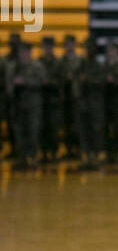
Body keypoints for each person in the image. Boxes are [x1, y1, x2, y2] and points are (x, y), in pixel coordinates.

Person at [7, 40, 45, 171]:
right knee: (19, 133)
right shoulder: (13, 67)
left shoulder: (37, 66)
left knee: (32, 132)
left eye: (25, 52)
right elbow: (8, 85)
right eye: (21, 52)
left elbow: (42, 83)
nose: (23, 54)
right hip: (17, 105)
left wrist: (25, 82)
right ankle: (22, 159)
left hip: (33, 105)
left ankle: (33, 158)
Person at [77, 38, 107, 172]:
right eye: (86, 47)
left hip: (95, 103)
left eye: (90, 48)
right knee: (84, 131)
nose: (87, 50)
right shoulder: (81, 65)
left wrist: (88, 80)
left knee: (96, 130)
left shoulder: (99, 66)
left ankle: (95, 157)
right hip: (83, 103)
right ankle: (87, 156)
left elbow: (102, 83)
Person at [38, 36, 63, 164]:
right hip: (41, 100)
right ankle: (44, 153)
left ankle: (53, 153)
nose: (47, 49)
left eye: (49, 46)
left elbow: (61, 81)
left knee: (53, 128)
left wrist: (49, 82)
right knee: (42, 127)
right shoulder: (38, 62)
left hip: (53, 100)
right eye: (45, 46)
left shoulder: (57, 63)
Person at [60, 34, 81, 160]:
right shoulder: (61, 61)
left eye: (71, 44)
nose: (69, 46)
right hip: (64, 96)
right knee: (66, 125)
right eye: (66, 44)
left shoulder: (79, 60)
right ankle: (68, 150)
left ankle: (77, 150)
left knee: (77, 125)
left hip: (76, 96)